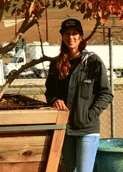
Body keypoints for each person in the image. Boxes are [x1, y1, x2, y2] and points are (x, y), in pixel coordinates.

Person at [45, 18, 113, 172]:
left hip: (86, 129)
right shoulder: (56, 63)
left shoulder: (93, 61)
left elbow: (105, 94)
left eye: (74, 33)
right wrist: (54, 100)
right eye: (67, 34)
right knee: (69, 170)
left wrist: (89, 115)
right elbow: (50, 91)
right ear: (62, 36)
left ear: (81, 37)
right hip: (64, 127)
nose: (71, 37)